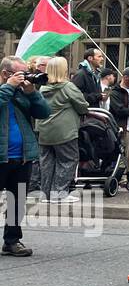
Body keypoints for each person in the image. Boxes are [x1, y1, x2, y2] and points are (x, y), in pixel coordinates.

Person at [1, 57, 50, 257]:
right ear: (6, 74)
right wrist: (8, 87)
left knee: (17, 201)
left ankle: (12, 241)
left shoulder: (22, 93)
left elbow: (44, 112)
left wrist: (32, 94)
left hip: (21, 157)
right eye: (20, 73)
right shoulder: (7, 90)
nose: (24, 77)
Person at [35, 56, 89, 204]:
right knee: (68, 160)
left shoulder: (42, 88)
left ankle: (45, 194)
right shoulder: (68, 87)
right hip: (64, 131)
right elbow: (83, 106)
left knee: (46, 162)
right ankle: (59, 193)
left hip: (44, 130)